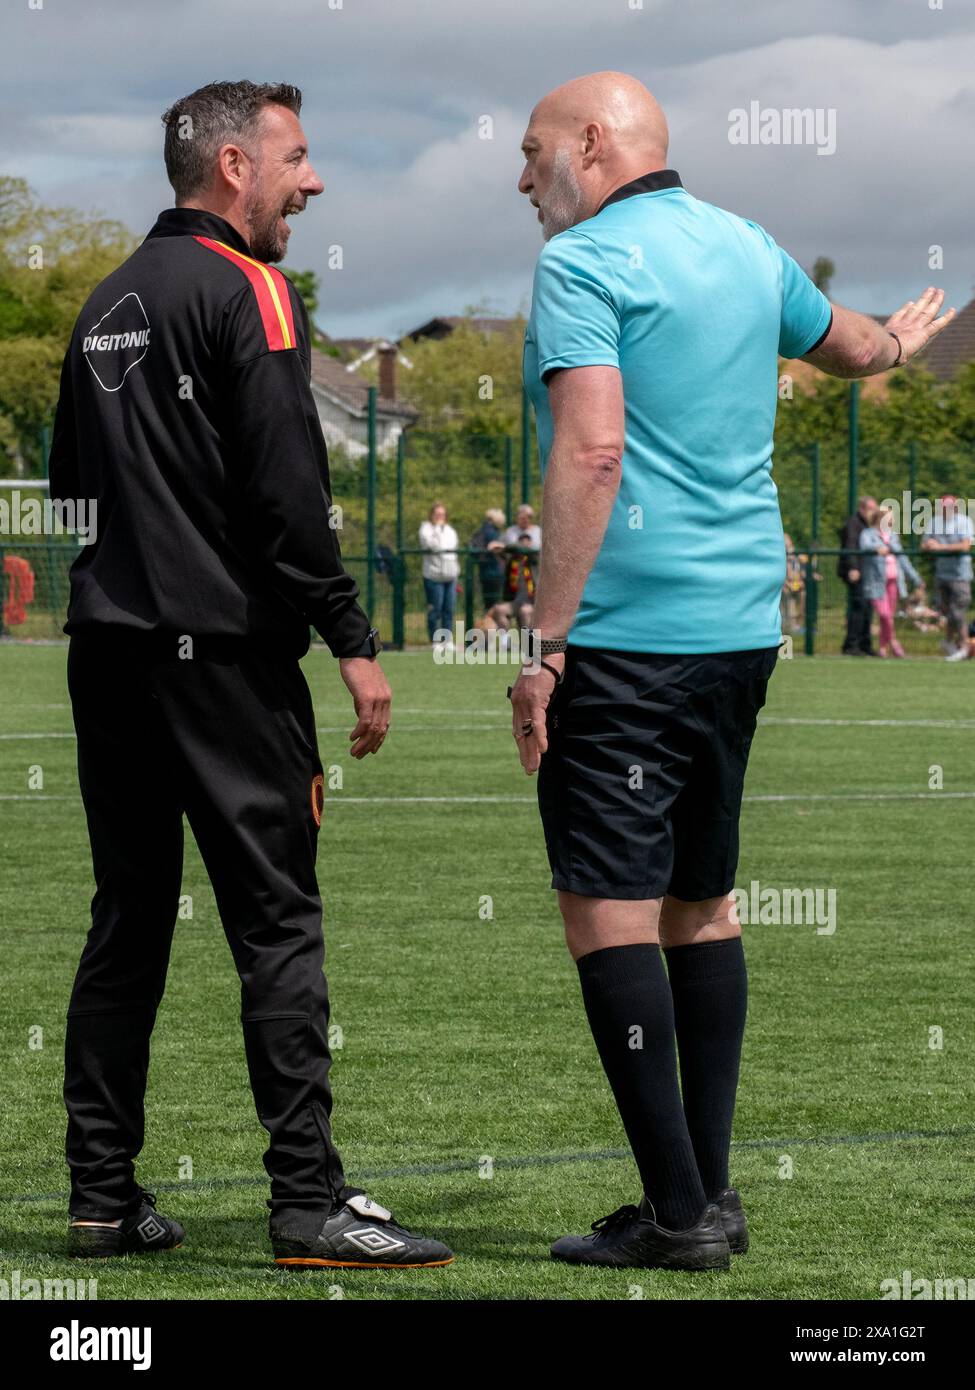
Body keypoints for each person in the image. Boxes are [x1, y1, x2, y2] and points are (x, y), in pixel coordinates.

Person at [508, 69, 955, 1271]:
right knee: (700, 899)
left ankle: (676, 1215)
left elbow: (593, 450)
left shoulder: (582, 264)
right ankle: (706, 1194)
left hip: (628, 636)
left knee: (608, 910)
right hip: (742, 630)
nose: (520, 177)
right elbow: (855, 340)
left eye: (533, 150)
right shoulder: (749, 246)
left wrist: (545, 646)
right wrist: (896, 351)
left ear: (592, 145)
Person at [48, 80, 452, 1272]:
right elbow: (288, 492)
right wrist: (353, 638)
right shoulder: (252, 289)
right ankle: (307, 1204)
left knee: (126, 921)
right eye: (298, 157)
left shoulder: (105, 302)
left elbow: (75, 490)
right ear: (233, 165)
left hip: (109, 652)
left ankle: (102, 1200)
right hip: (222, 657)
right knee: (276, 923)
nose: (311, 179)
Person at [859, 505, 923, 658]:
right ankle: (893, 643)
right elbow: (864, 546)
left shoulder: (893, 536)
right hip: (876, 581)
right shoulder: (868, 533)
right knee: (884, 615)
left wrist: (915, 578)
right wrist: (877, 548)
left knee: (887, 617)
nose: (893, 520)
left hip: (894, 580)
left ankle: (882, 648)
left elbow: (903, 559)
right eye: (890, 516)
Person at [921, 495, 974, 659]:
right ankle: (949, 642)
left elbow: (965, 545)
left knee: (958, 611)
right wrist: (929, 546)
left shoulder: (964, 521)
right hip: (942, 573)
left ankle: (964, 645)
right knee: (947, 611)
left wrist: (940, 546)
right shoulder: (934, 522)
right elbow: (924, 545)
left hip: (959, 575)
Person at [838, 496, 879, 655]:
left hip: (866, 572)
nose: (874, 513)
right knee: (859, 606)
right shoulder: (853, 523)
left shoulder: (866, 525)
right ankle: (851, 645)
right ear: (862, 509)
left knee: (867, 608)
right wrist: (853, 568)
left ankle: (865, 644)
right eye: (871, 509)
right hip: (856, 572)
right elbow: (850, 547)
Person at [419, 501, 460, 644]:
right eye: (437, 514)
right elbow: (433, 546)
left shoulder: (450, 531)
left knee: (448, 610)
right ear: (431, 515)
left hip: (450, 576)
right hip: (433, 576)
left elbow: (451, 548)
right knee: (435, 610)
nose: (440, 517)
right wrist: (436, 529)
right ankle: (435, 641)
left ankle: (447, 641)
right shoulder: (426, 529)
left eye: (442, 514)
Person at [469, 507, 507, 611]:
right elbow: (494, 547)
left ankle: (487, 624)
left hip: (484, 570)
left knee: (488, 602)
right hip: (494, 571)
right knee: (494, 603)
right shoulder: (492, 532)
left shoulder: (481, 530)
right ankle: (492, 626)